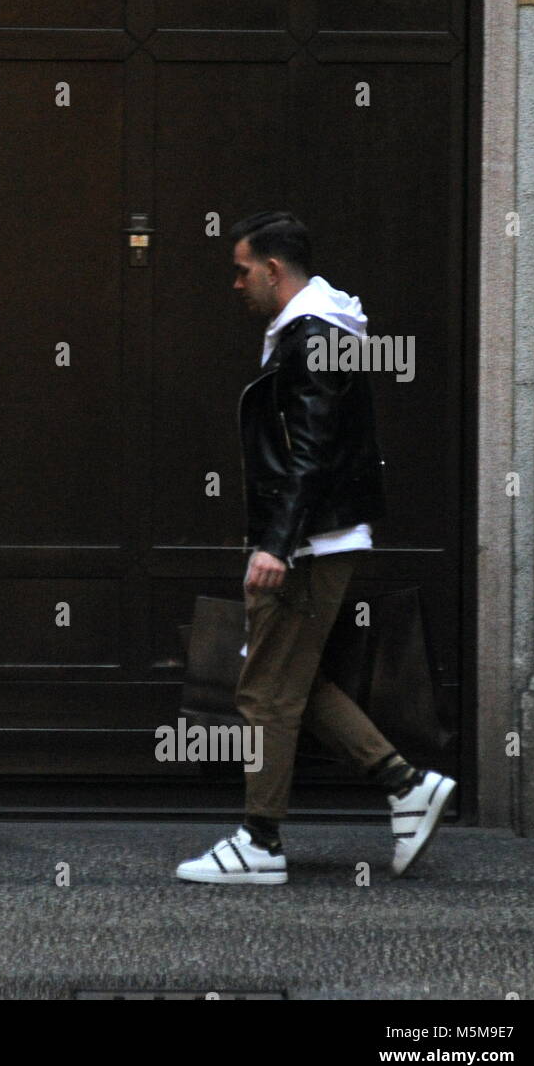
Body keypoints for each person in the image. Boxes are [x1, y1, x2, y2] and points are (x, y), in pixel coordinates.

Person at [175, 211, 455, 885]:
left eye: (242, 270)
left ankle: (260, 842)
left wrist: (277, 544)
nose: (235, 283)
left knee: (265, 692)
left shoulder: (313, 337)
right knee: (294, 679)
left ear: (274, 270)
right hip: (318, 538)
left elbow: (312, 452)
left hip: (309, 544)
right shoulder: (318, 332)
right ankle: (405, 783)